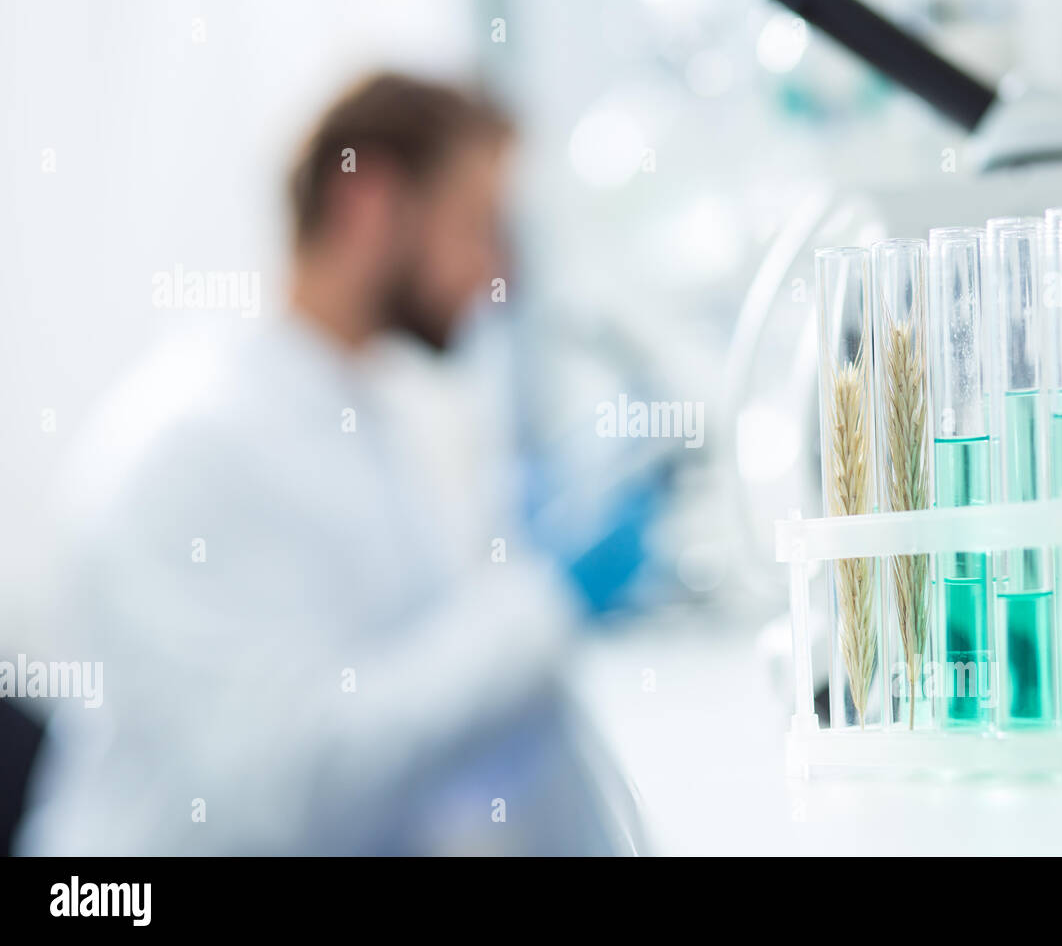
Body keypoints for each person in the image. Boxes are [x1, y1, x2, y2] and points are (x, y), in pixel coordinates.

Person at [18, 74, 633, 854]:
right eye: (477, 223)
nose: (495, 274)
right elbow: (283, 783)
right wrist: (545, 603)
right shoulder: (195, 441)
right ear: (370, 200)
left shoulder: (352, 416)